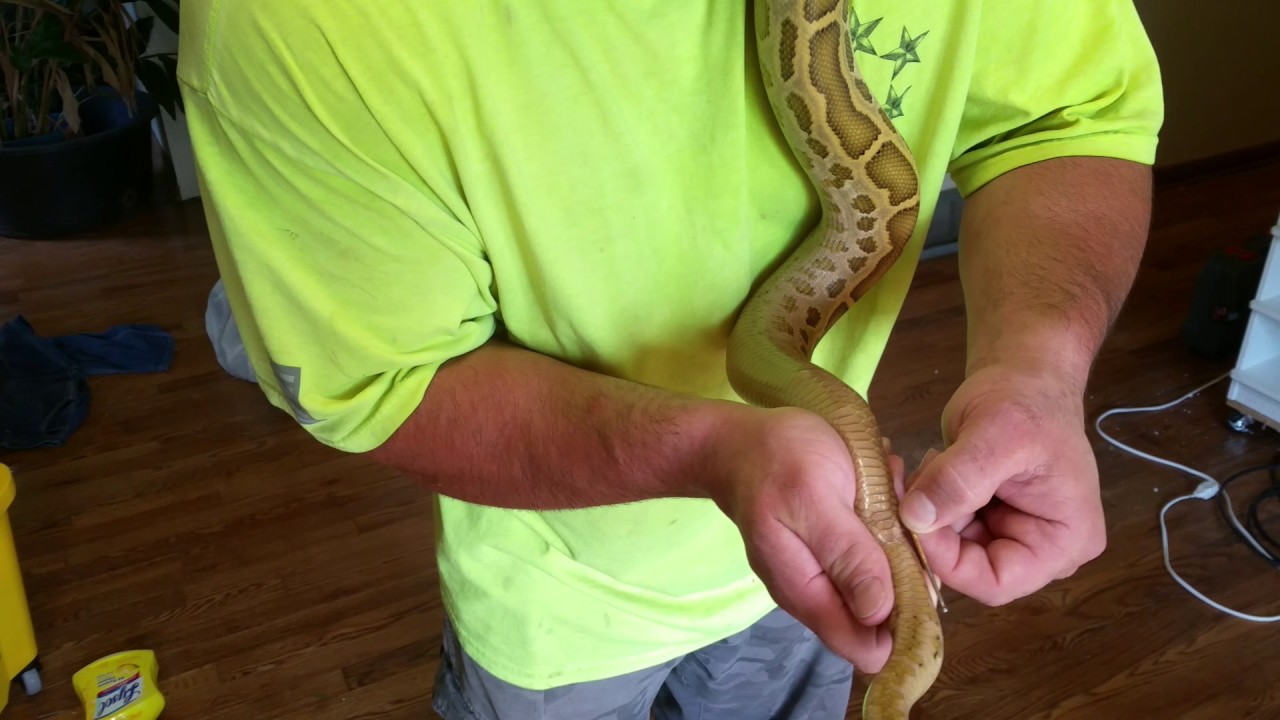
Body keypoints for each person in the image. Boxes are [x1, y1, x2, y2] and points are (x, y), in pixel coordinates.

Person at [175, 1, 1163, 717]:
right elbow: (391, 384)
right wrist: (713, 453)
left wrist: (1036, 367)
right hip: (558, 613)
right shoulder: (298, 23)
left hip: (821, 564)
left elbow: (1067, 118)